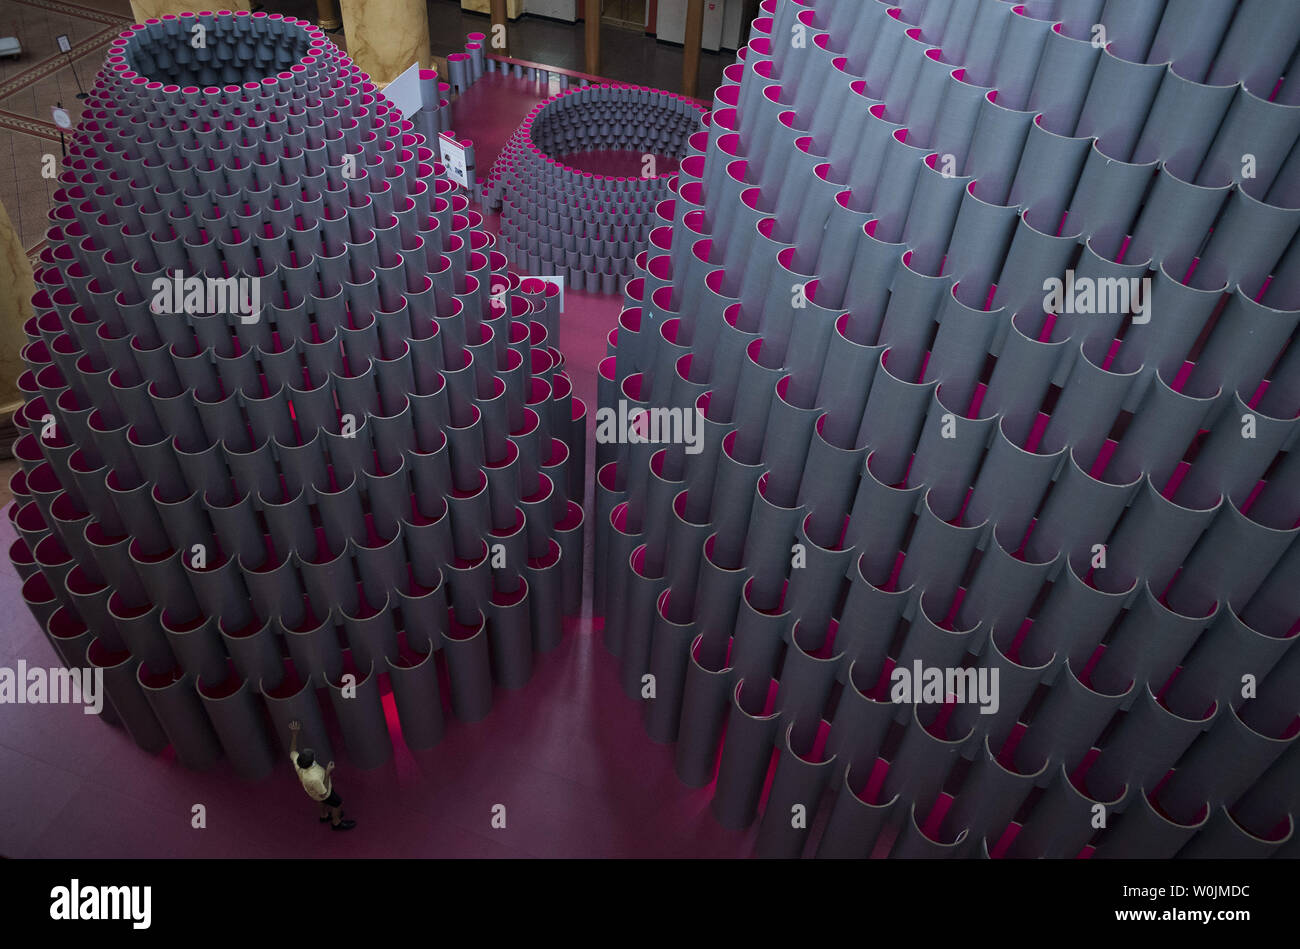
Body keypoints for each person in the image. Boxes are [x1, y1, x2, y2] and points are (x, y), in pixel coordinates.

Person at [288, 720, 355, 831]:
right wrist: (328, 773)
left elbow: (292, 750)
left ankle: (324, 816)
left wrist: (294, 734)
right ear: (311, 762)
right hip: (322, 790)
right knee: (337, 803)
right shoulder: (314, 777)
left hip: (312, 791)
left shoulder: (297, 761)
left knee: (319, 800)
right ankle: (336, 823)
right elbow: (324, 794)